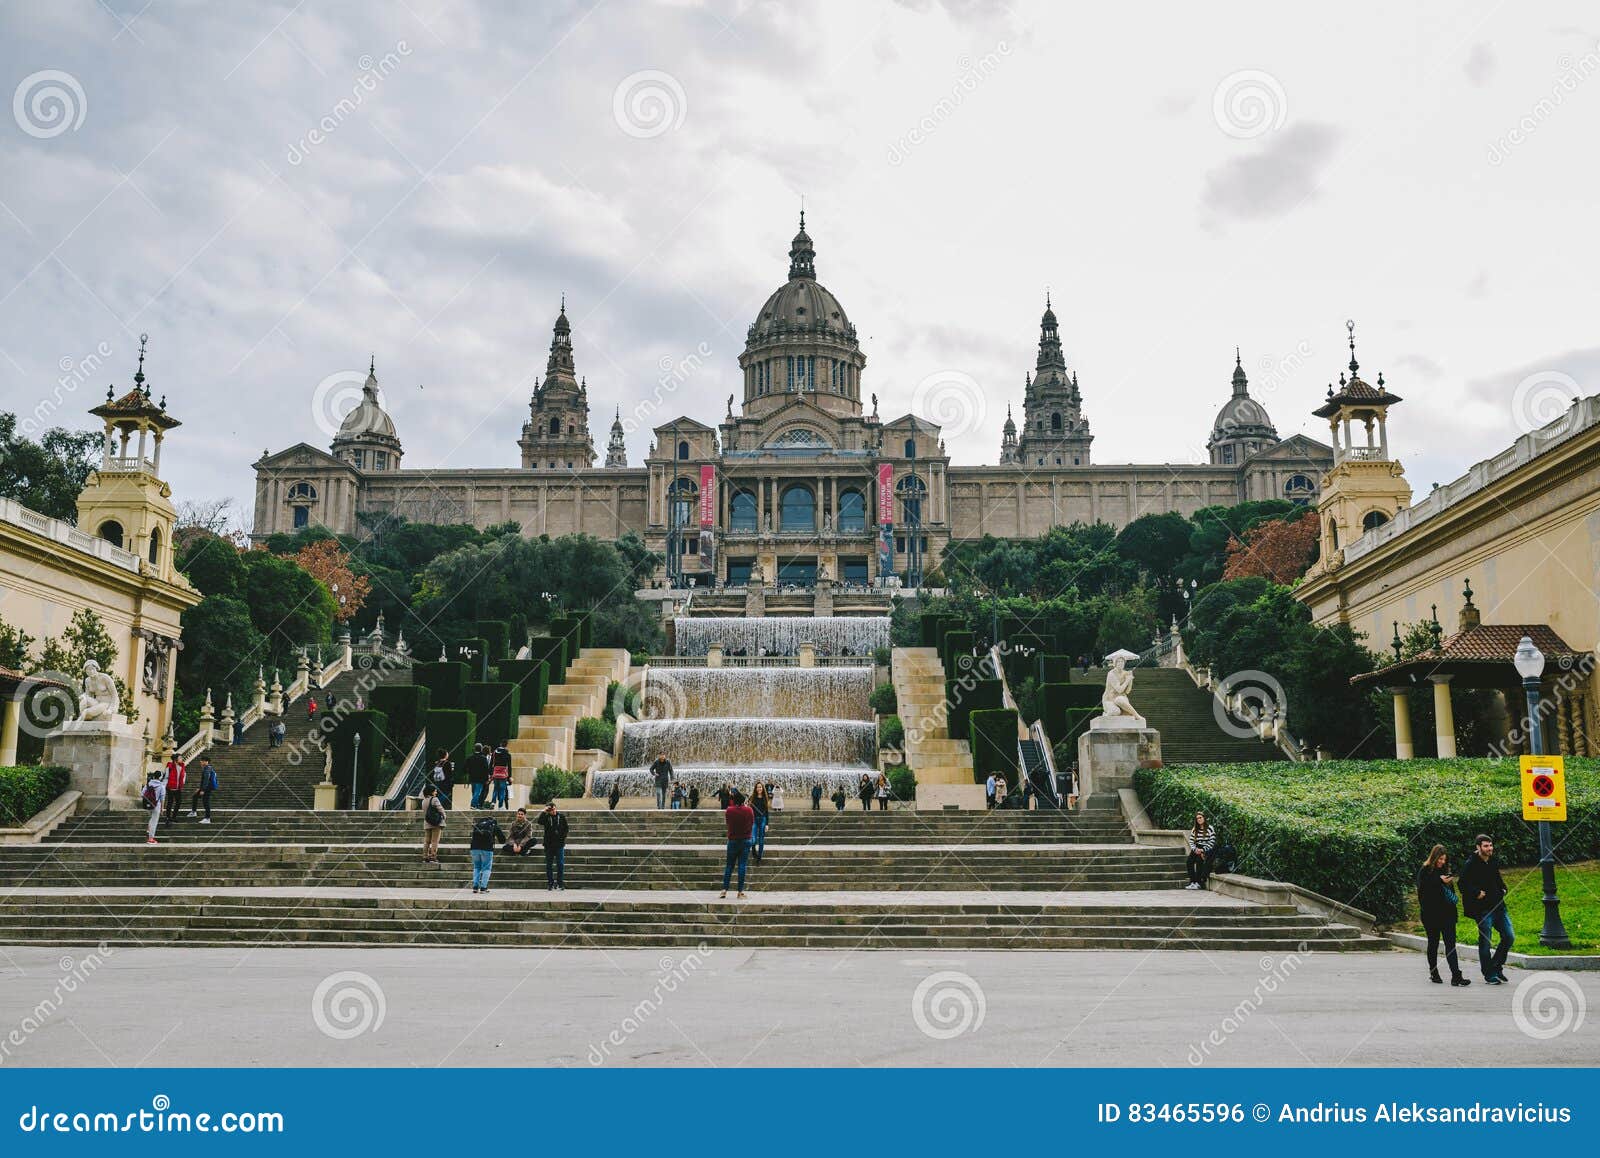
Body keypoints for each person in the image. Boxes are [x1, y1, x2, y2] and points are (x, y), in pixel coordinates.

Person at [1460, 833, 1513, 984]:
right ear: (1478, 847)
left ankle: (1496, 966)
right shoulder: (1471, 864)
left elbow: (1497, 878)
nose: (1489, 848)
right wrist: (1476, 892)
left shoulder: (1493, 860)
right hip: (1482, 910)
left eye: (1490, 845)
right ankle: (1489, 974)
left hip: (1499, 906)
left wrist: (1503, 888)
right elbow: (1462, 884)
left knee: (1509, 936)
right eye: (1486, 846)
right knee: (1485, 942)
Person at [1417, 844, 1469, 986]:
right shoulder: (1425, 871)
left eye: (1444, 859)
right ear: (1434, 858)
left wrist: (1447, 882)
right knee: (1433, 943)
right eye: (1440, 859)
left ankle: (1456, 976)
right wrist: (1440, 881)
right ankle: (1434, 973)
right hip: (1431, 914)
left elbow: (1450, 892)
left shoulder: (1445, 871)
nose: (1442, 862)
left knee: (1450, 944)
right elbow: (1423, 891)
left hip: (1447, 914)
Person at [721, 789, 755, 900]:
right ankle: (740, 892)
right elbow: (752, 823)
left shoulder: (729, 810)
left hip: (733, 841)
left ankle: (724, 890)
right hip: (745, 840)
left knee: (729, 866)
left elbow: (728, 823)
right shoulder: (749, 810)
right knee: (742, 866)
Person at [469, 812, 506, 894]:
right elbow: (502, 840)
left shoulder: (479, 824)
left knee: (476, 867)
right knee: (486, 868)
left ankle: (475, 887)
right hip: (487, 848)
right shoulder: (494, 825)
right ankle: (483, 887)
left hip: (474, 848)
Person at [538, 801, 569, 890]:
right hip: (549, 844)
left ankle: (560, 883)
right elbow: (539, 821)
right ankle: (550, 883)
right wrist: (544, 811)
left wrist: (562, 837)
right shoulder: (546, 817)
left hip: (559, 844)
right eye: (551, 810)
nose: (553, 811)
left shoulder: (561, 816)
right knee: (549, 864)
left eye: (554, 809)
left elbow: (566, 828)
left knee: (560, 864)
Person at [1185, 811, 1216, 890]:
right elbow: (1191, 841)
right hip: (1196, 848)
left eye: (1200, 818)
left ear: (1204, 818)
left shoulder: (1210, 828)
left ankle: (1198, 883)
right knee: (1189, 862)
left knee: (1199, 862)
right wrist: (1195, 849)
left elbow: (1212, 842)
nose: (1199, 819)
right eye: (1197, 818)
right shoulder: (1195, 829)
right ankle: (1193, 882)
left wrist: (1203, 850)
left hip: (1206, 848)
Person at [421, 785, 445, 864]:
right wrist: (444, 816)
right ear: (431, 792)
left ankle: (425, 857)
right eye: (435, 791)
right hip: (435, 823)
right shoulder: (434, 799)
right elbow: (440, 809)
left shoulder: (424, 801)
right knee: (434, 841)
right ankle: (433, 857)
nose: (436, 792)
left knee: (427, 841)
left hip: (427, 823)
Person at [464, 743, 491, 809]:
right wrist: (487, 779)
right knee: (477, 792)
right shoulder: (483, 758)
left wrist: (469, 772)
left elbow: (465, 767)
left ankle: (476, 804)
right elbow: (486, 769)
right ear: (481, 749)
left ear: (474, 749)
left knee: (474, 792)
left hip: (472, 777)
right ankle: (473, 805)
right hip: (480, 778)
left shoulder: (470, 757)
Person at [142, 770, 166, 845]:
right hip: (156, 805)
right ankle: (151, 839)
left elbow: (142, 794)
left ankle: (148, 829)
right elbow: (162, 798)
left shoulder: (148, 784)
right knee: (154, 822)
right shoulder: (161, 786)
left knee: (152, 819)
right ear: (160, 777)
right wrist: (162, 809)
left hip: (148, 804)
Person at [192, 757, 218, 823]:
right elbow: (204, 780)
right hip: (206, 787)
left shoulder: (207, 768)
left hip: (207, 788)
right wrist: (200, 788)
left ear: (207, 762)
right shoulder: (207, 768)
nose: (201, 762)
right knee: (195, 796)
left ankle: (207, 818)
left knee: (206, 802)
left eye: (203, 761)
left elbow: (206, 780)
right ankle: (194, 812)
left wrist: (203, 790)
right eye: (201, 761)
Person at [750, 782, 771, 862]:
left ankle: (759, 857)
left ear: (763, 788)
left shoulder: (765, 798)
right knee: (754, 839)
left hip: (763, 819)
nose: (759, 788)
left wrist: (767, 824)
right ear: (756, 788)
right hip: (754, 820)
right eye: (758, 787)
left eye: (760, 787)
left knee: (761, 839)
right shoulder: (752, 798)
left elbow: (767, 812)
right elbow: (750, 810)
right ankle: (753, 849)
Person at [163, 756, 187, 824]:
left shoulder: (182, 766)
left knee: (178, 802)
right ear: (176, 759)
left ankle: (174, 816)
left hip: (178, 788)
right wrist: (165, 786)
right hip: (170, 788)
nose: (182, 759)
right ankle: (168, 817)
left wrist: (182, 782)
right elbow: (166, 777)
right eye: (180, 758)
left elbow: (184, 776)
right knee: (170, 802)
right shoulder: (170, 766)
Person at [489, 741, 512, 810]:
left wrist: (490, 773)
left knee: (495, 789)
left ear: (500, 744)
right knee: (502, 790)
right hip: (503, 774)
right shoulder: (507, 754)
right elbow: (509, 766)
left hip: (496, 773)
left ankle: (493, 802)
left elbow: (491, 763)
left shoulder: (494, 753)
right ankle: (500, 806)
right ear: (506, 745)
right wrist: (509, 776)